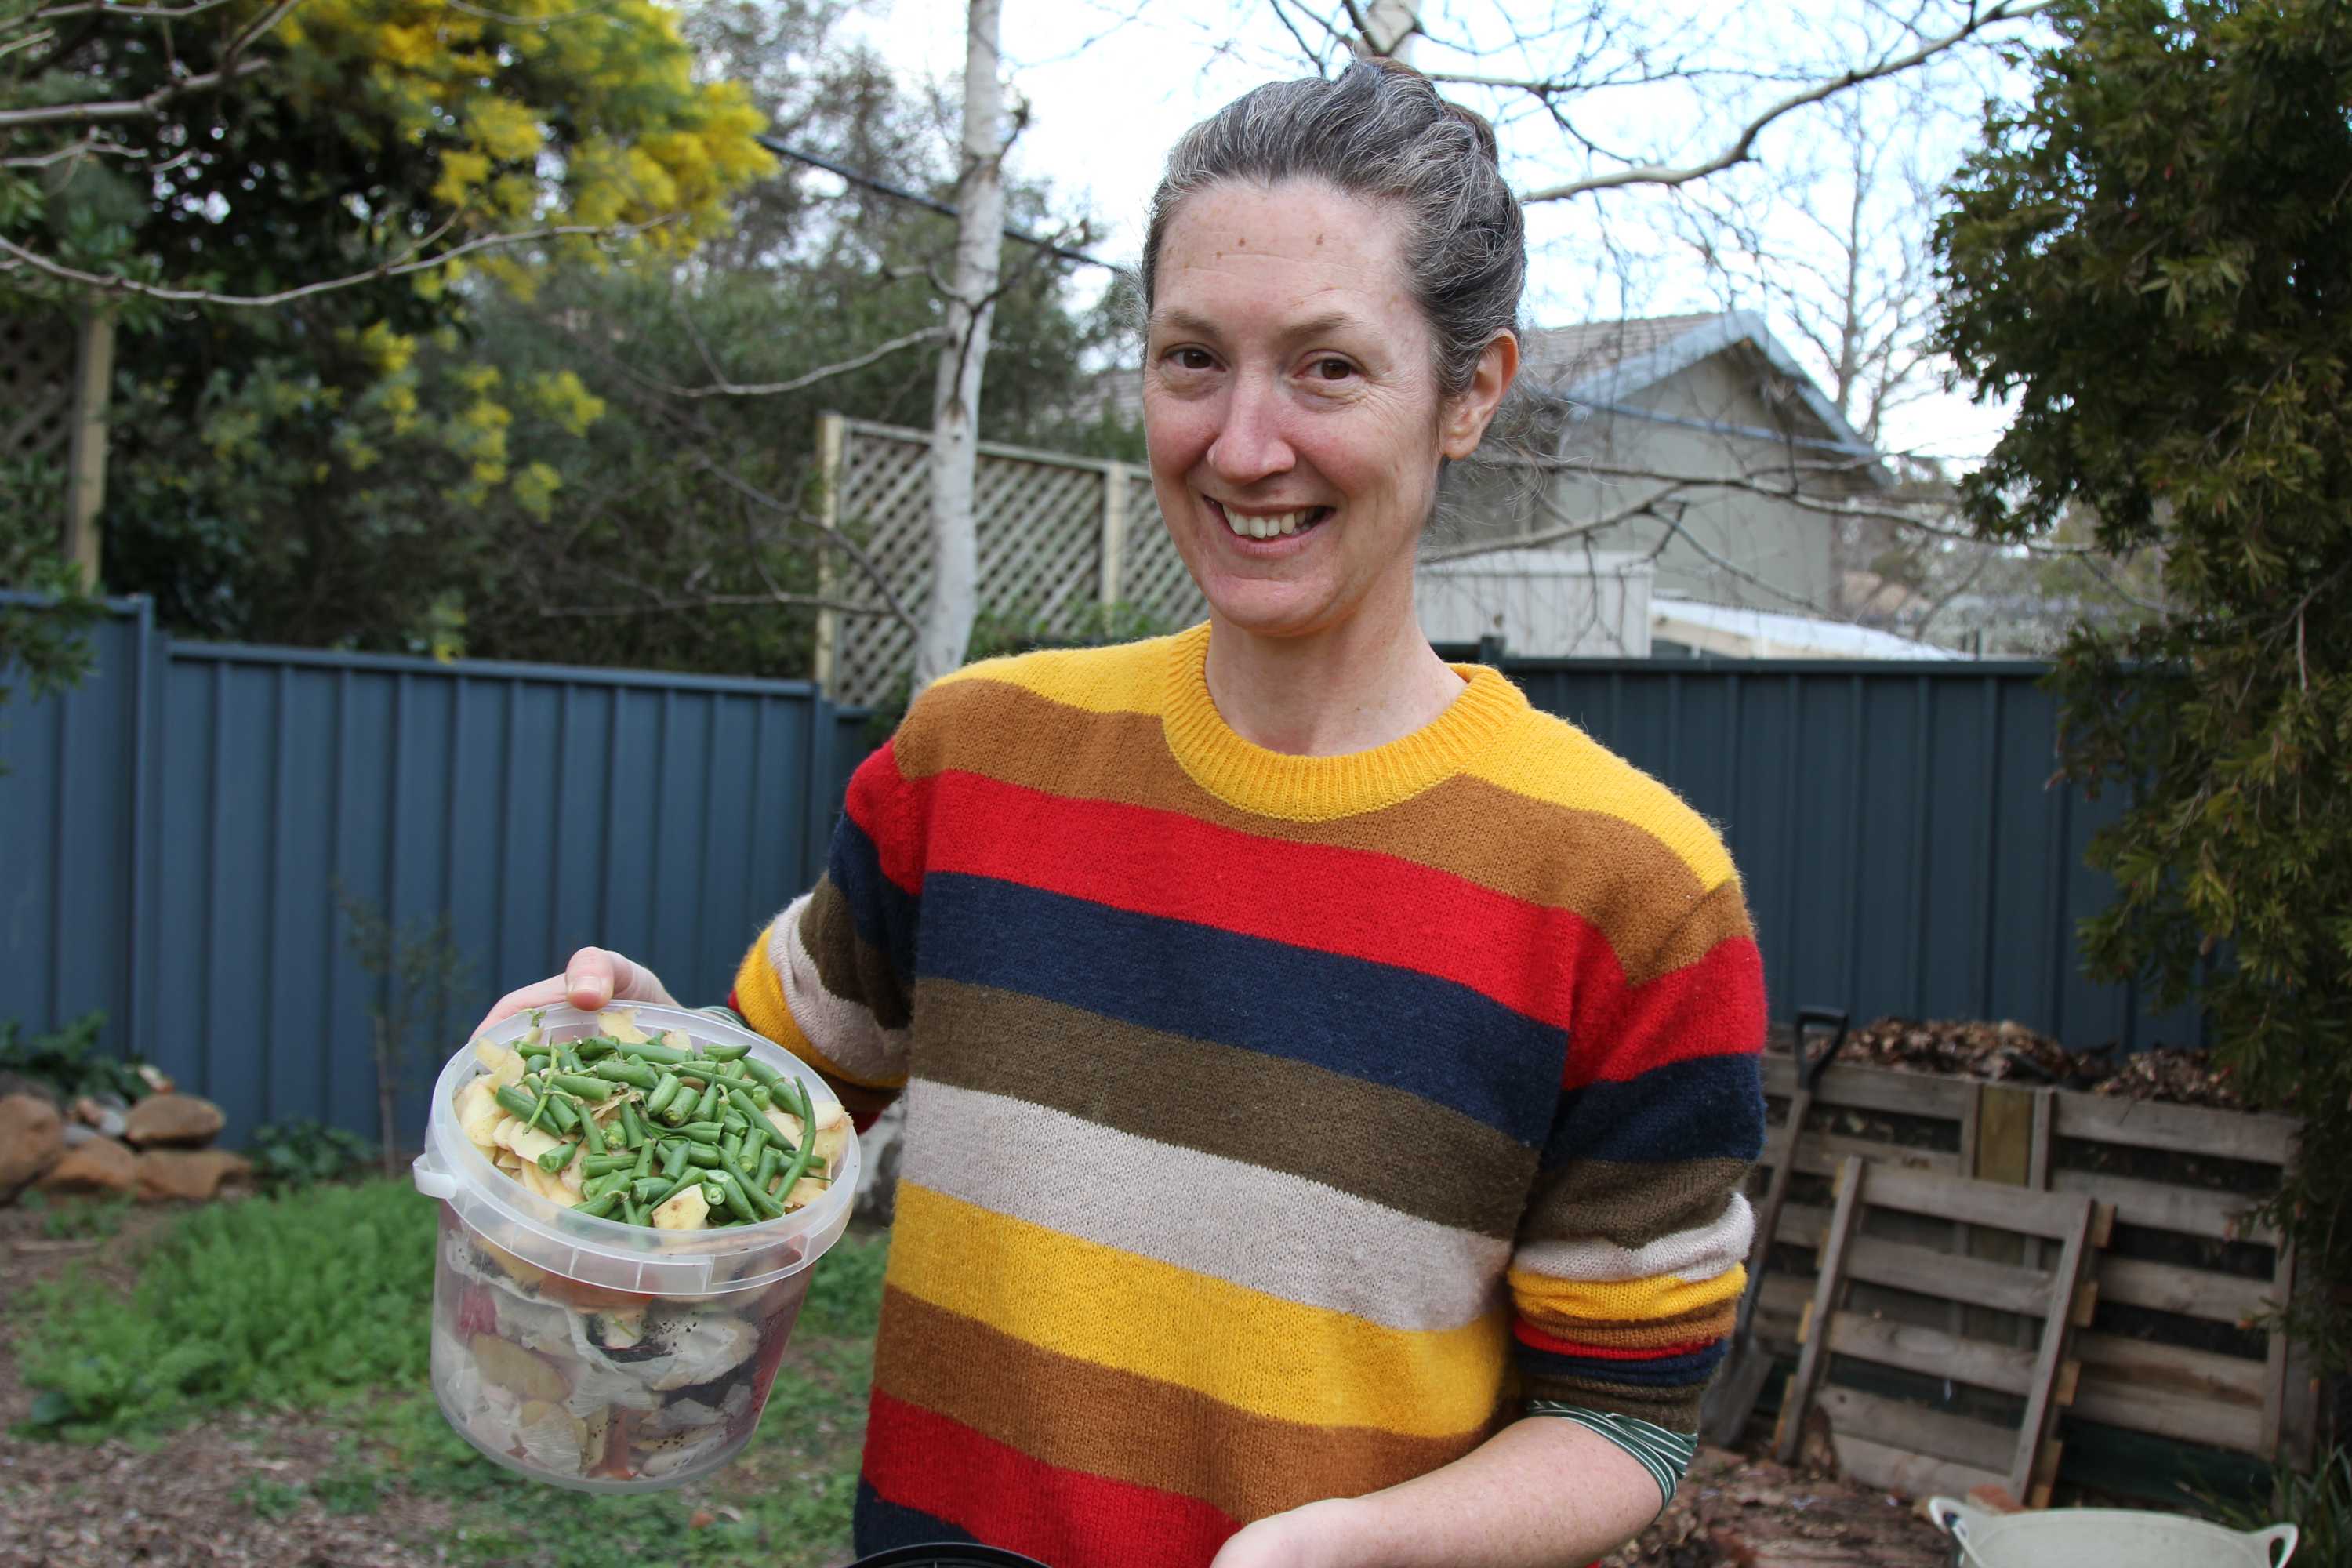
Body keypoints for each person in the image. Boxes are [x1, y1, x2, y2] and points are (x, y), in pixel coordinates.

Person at [482, 57, 1766, 1568]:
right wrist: (626, 1066)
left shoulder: (1630, 888)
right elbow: (775, 1112)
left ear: (1472, 391)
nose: (1241, 444)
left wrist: (1358, 1547)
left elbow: (1623, 1421)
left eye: (1329, 368)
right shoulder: (976, 755)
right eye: (1192, 359)